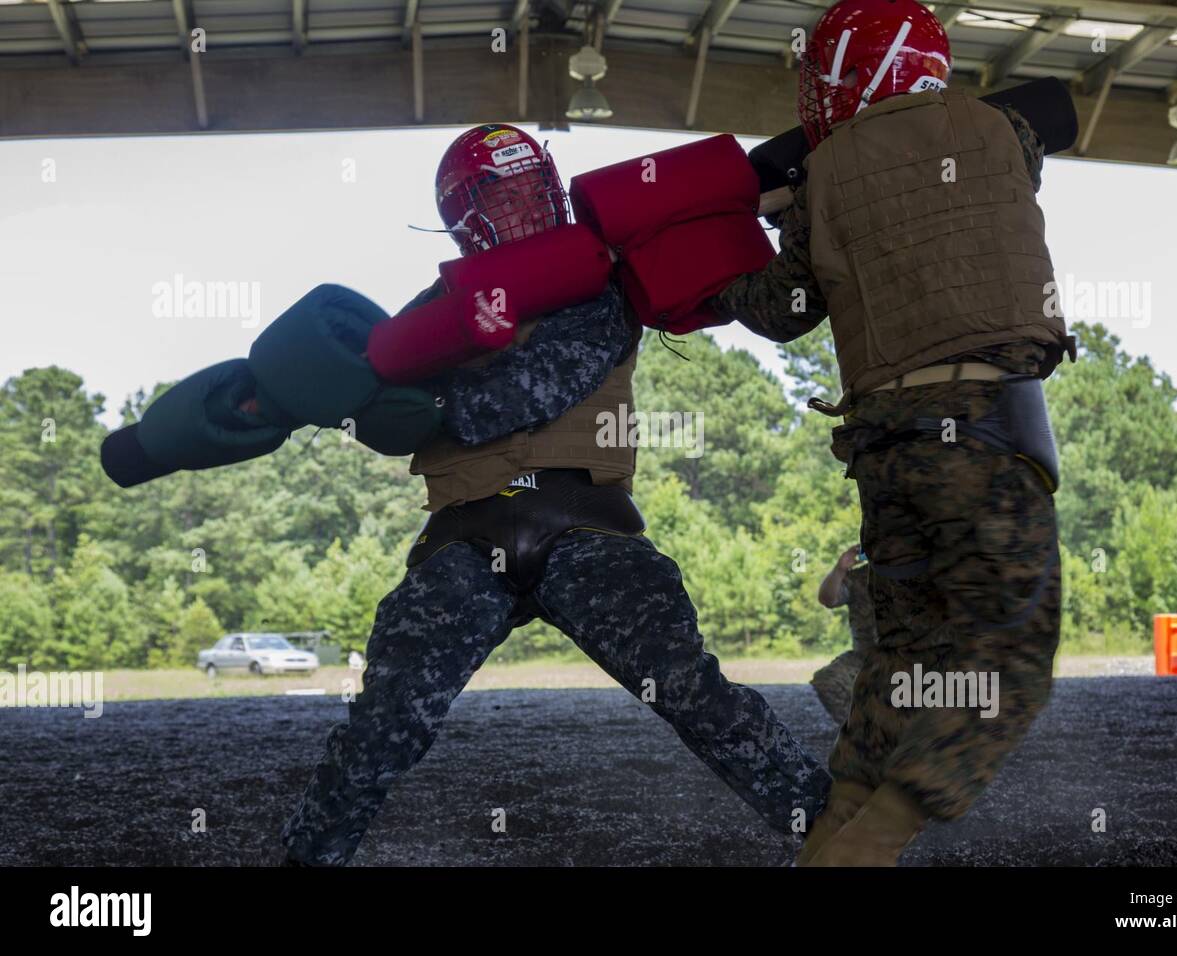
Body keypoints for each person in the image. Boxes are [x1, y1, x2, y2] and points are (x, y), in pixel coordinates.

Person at [280, 124, 831, 866]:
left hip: (585, 523)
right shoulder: (427, 314)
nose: (524, 207)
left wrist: (428, 398)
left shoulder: (601, 279)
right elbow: (376, 419)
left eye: (531, 187)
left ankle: (837, 836)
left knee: (689, 690)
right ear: (465, 215)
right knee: (386, 719)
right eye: (500, 197)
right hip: (464, 534)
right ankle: (305, 859)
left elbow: (541, 384)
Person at [710, 0, 1076, 866]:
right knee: (1005, 662)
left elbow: (778, 313)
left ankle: (840, 828)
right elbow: (1008, 134)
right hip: (990, 435)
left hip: (888, 453)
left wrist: (771, 215)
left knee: (899, 667)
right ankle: (874, 844)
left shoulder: (823, 177)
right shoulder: (1003, 135)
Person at [812, 545, 876, 724]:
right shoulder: (859, 577)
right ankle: (860, 729)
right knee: (828, 681)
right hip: (866, 659)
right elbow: (827, 599)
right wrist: (839, 570)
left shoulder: (919, 575)